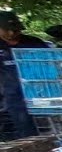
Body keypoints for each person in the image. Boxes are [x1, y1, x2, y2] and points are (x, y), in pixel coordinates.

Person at [0, 11, 49, 140]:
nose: (11, 34)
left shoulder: (34, 42)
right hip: (13, 96)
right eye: (7, 30)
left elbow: (50, 63)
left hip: (41, 92)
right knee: (25, 129)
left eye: (15, 30)